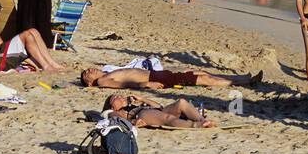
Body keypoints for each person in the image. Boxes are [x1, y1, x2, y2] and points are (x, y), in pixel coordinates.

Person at [81, 65, 261, 90]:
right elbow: (124, 85)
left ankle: (241, 78)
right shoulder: (103, 81)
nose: (90, 69)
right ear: (90, 83)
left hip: (159, 74)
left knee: (200, 73)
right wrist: (146, 84)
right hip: (157, 78)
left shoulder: (108, 71)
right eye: (87, 73)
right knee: (204, 80)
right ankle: (245, 83)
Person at [103, 93, 217, 129]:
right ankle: (197, 125)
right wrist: (133, 122)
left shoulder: (132, 104)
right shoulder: (112, 112)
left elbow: (159, 107)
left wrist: (142, 99)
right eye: (115, 98)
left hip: (154, 110)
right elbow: (116, 119)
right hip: (142, 115)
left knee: (181, 102)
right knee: (168, 119)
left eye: (119, 95)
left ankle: (202, 120)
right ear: (112, 106)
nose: (119, 96)